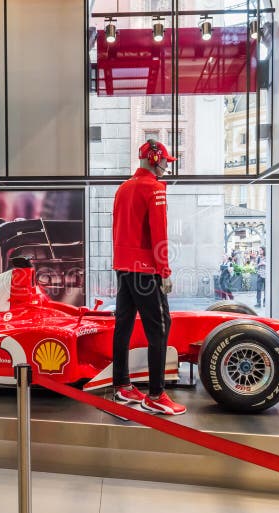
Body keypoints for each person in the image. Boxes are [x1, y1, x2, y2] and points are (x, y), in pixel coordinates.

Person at [111, 139, 185, 415]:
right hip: (145, 270)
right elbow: (159, 233)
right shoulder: (155, 189)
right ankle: (156, 394)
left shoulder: (123, 188)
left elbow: (118, 229)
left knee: (124, 325)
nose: (167, 166)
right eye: (165, 160)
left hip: (123, 266)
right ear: (155, 159)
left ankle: (121, 385)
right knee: (160, 327)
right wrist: (164, 271)